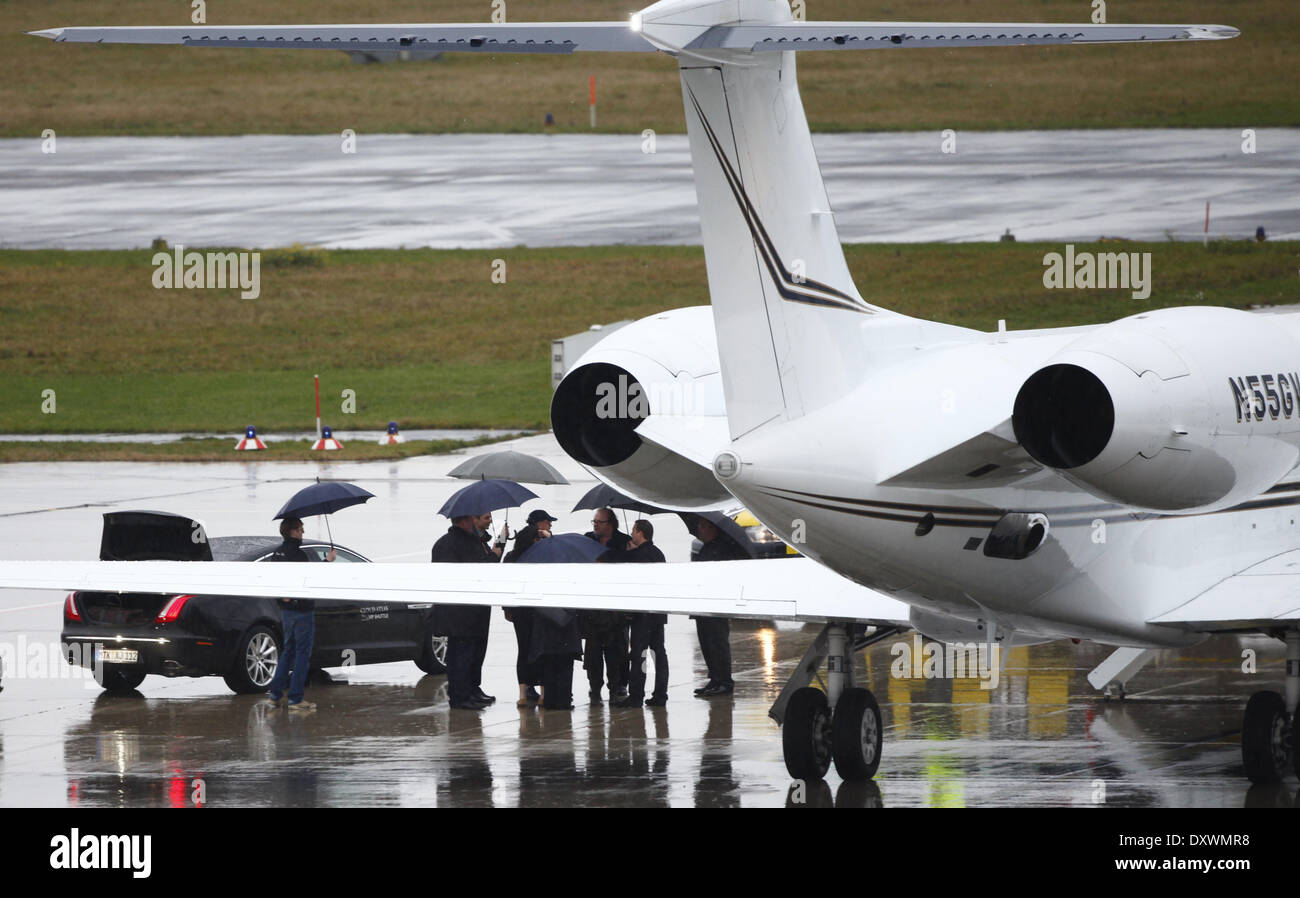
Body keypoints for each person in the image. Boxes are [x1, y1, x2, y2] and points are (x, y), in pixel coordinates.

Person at [432, 511, 505, 710]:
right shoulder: (464, 543)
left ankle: (469, 691)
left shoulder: (443, 543)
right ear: (465, 521)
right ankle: (462, 696)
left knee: (464, 654)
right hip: (466, 610)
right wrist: (498, 551)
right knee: (463, 655)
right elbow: (484, 570)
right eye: (472, 518)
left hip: (458, 609)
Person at [265, 517, 334, 712]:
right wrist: (328, 561)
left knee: (288, 651)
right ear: (293, 531)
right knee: (303, 654)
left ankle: (275, 695)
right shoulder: (298, 554)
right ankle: (295, 698)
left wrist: (282, 599)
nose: (303, 533)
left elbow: (273, 580)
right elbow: (311, 578)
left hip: (286, 611)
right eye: (301, 529)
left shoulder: (276, 554)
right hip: (302, 611)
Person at [605, 520, 669, 708]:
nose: (631, 533)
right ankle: (660, 693)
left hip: (643, 614)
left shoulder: (638, 556)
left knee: (639, 654)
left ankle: (636, 695)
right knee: (659, 654)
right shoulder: (658, 553)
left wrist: (628, 552)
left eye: (633, 530)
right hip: (658, 613)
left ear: (640, 533)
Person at [502, 509, 557, 706]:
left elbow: (505, 584)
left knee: (523, 649)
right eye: (548, 523)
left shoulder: (512, 556)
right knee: (540, 649)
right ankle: (542, 694)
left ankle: (523, 694)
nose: (550, 526)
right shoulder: (541, 555)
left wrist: (506, 608)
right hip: (538, 610)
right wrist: (549, 538)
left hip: (519, 610)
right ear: (539, 525)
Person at [692, 517, 746, 697]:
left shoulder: (723, 549)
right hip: (703, 605)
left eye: (702, 526)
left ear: (712, 528)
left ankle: (724, 681)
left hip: (716, 605)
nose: (699, 530)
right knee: (706, 643)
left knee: (717, 643)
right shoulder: (705, 547)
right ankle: (714, 679)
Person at [583, 508, 631, 702]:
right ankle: (595, 687)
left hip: (615, 607)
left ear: (610, 524)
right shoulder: (587, 540)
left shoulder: (623, 542)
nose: (595, 525)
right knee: (593, 652)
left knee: (617, 651)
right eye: (593, 521)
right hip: (593, 607)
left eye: (599, 522)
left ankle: (617, 686)